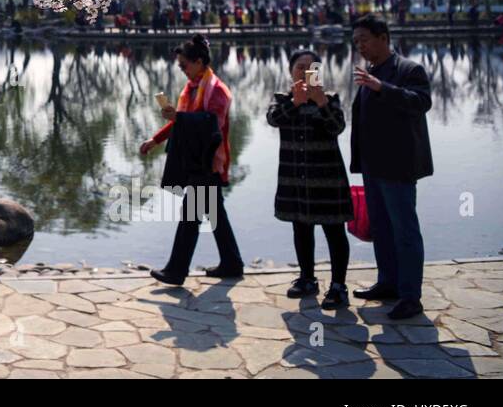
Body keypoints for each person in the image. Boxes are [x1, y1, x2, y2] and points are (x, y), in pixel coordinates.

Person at [142, 35, 244, 286]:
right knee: (214, 214)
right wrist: (155, 140)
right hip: (196, 159)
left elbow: (212, 125)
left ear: (199, 62)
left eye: (184, 65)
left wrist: (178, 117)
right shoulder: (193, 89)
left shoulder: (217, 90)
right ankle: (232, 263)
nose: (182, 70)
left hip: (209, 161)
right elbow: (181, 121)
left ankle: (177, 270)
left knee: (191, 215)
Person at [350, 14, 432, 320]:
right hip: (373, 166)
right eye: (356, 41)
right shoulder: (370, 72)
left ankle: (411, 296)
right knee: (381, 228)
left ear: (384, 38)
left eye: (365, 39)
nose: (360, 46)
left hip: (398, 166)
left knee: (405, 231)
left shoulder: (409, 69)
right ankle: (388, 282)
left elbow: (420, 102)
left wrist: (382, 87)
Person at [266, 50, 353, 309]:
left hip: (327, 179)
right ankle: (307, 278)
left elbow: (337, 127)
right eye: (299, 67)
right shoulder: (282, 101)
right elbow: (273, 120)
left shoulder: (331, 100)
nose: (304, 72)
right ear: (290, 72)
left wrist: (321, 102)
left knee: (334, 231)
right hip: (295, 179)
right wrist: (296, 102)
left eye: (310, 67)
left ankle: (338, 286)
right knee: (301, 229)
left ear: (318, 72)